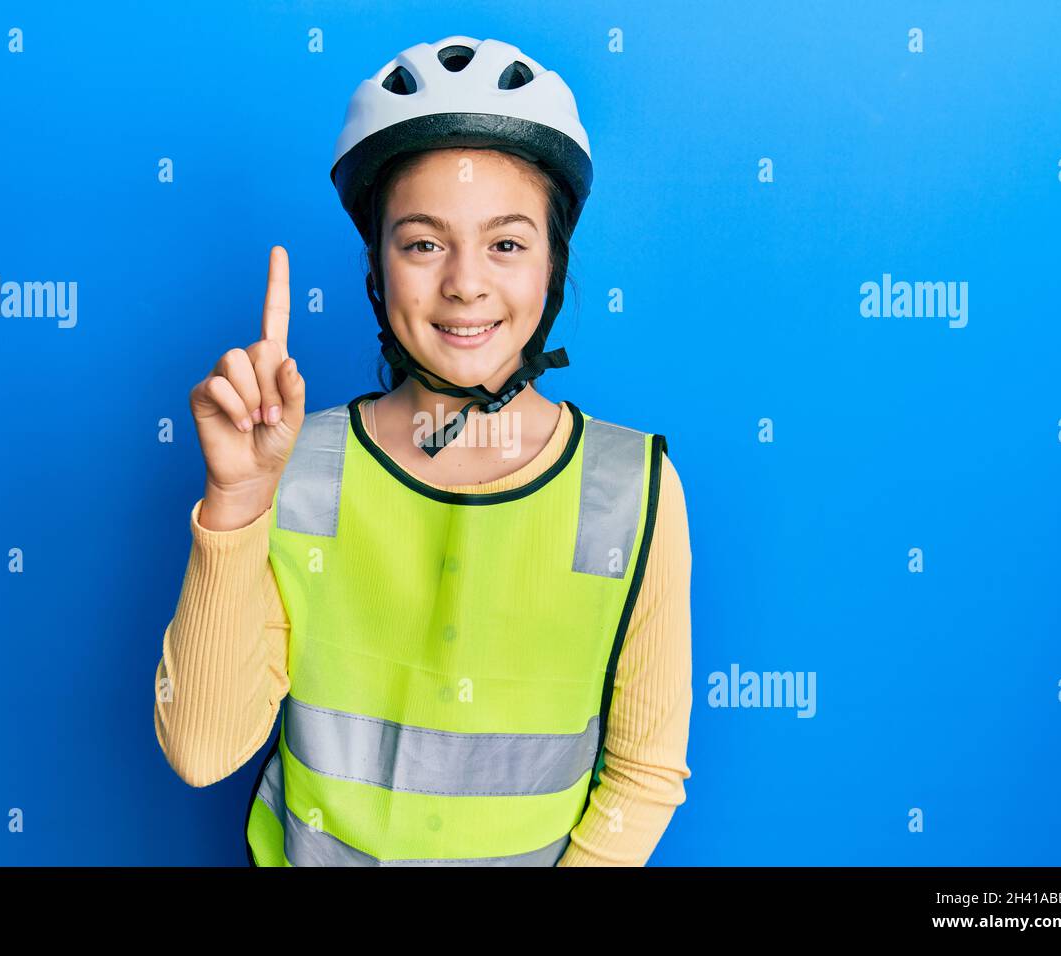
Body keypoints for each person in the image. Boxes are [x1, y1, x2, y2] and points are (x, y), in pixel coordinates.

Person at [153, 35, 693, 866]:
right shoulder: (296, 467)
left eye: (507, 243)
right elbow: (202, 751)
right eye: (423, 243)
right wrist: (237, 499)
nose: (466, 283)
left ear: (553, 267)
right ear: (376, 266)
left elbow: (644, 774)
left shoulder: (633, 487)